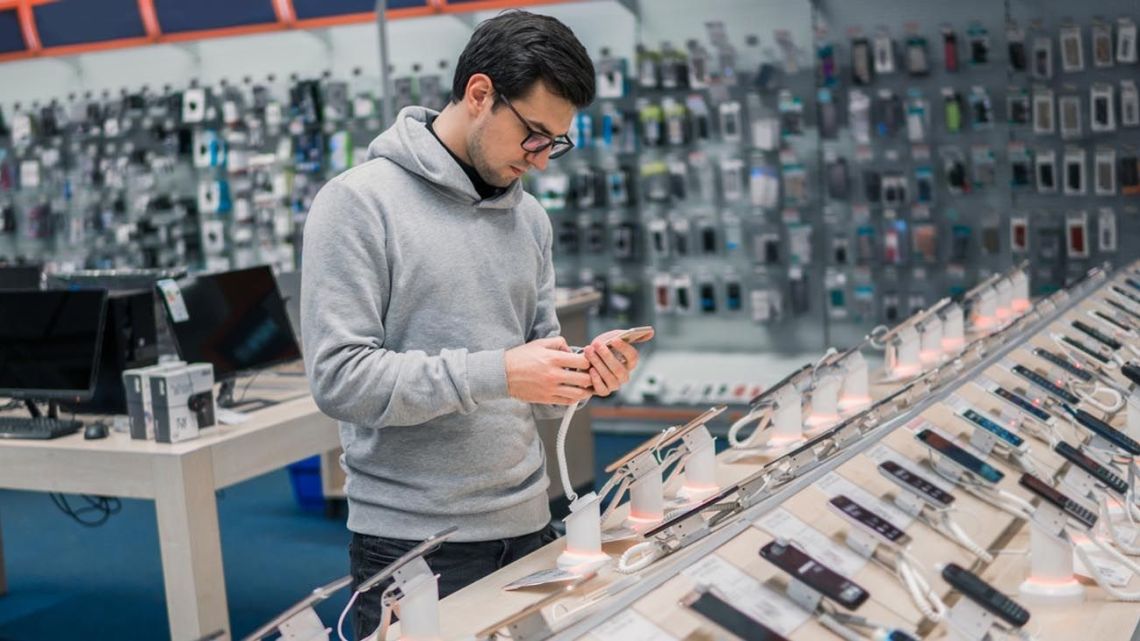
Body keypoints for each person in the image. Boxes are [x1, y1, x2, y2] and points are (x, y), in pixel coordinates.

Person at [300, 10, 645, 639]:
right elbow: (339, 379)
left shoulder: (530, 218)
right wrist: (500, 372)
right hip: (413, 546)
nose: (541, 160)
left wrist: (581, 374)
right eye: (534, 135)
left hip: (530, 522)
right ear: (481, 94)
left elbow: (533, 375)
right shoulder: (356, 204)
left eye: (556, 143)